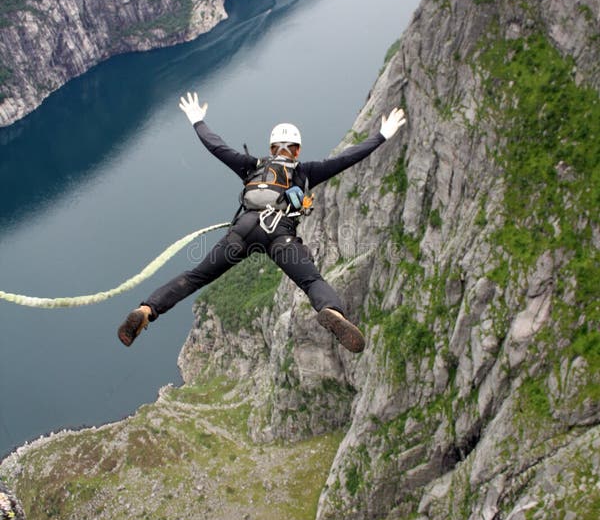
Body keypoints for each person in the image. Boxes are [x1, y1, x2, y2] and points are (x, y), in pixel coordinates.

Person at [118, 93, 406, 352]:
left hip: (241, 232)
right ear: (297, 151)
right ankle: (332, 312)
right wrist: (381, 135)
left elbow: (217, 147)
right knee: (312, 281)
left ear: (272, 148)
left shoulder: (252, 167)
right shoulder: (305, 172)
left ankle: (147, 310)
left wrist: (197, 120)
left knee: (196, 277)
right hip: (280, 236)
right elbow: (347, 158)